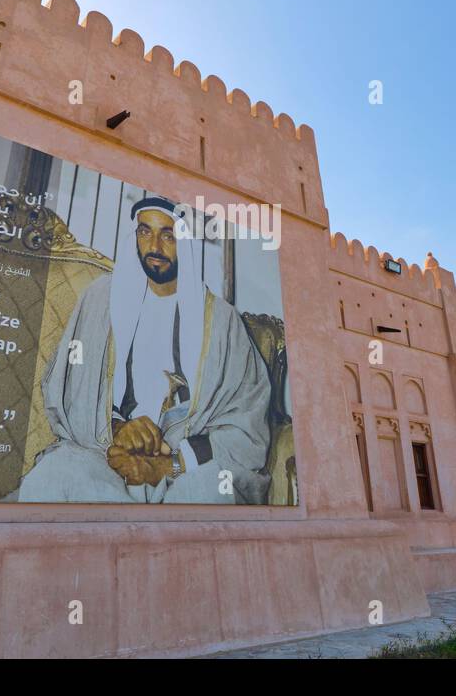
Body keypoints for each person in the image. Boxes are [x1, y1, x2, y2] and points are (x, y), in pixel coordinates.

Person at [18, 197, 271, 503]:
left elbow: (247, 418)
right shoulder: (99, 300)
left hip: (185, 466)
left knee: (212, 492)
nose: (155, 246)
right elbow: (67, 385)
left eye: (168, 235)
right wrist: (115, 427)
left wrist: (171, 465)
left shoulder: (220, 321)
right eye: (144, 232)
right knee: (55, 477)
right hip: (104, 454)